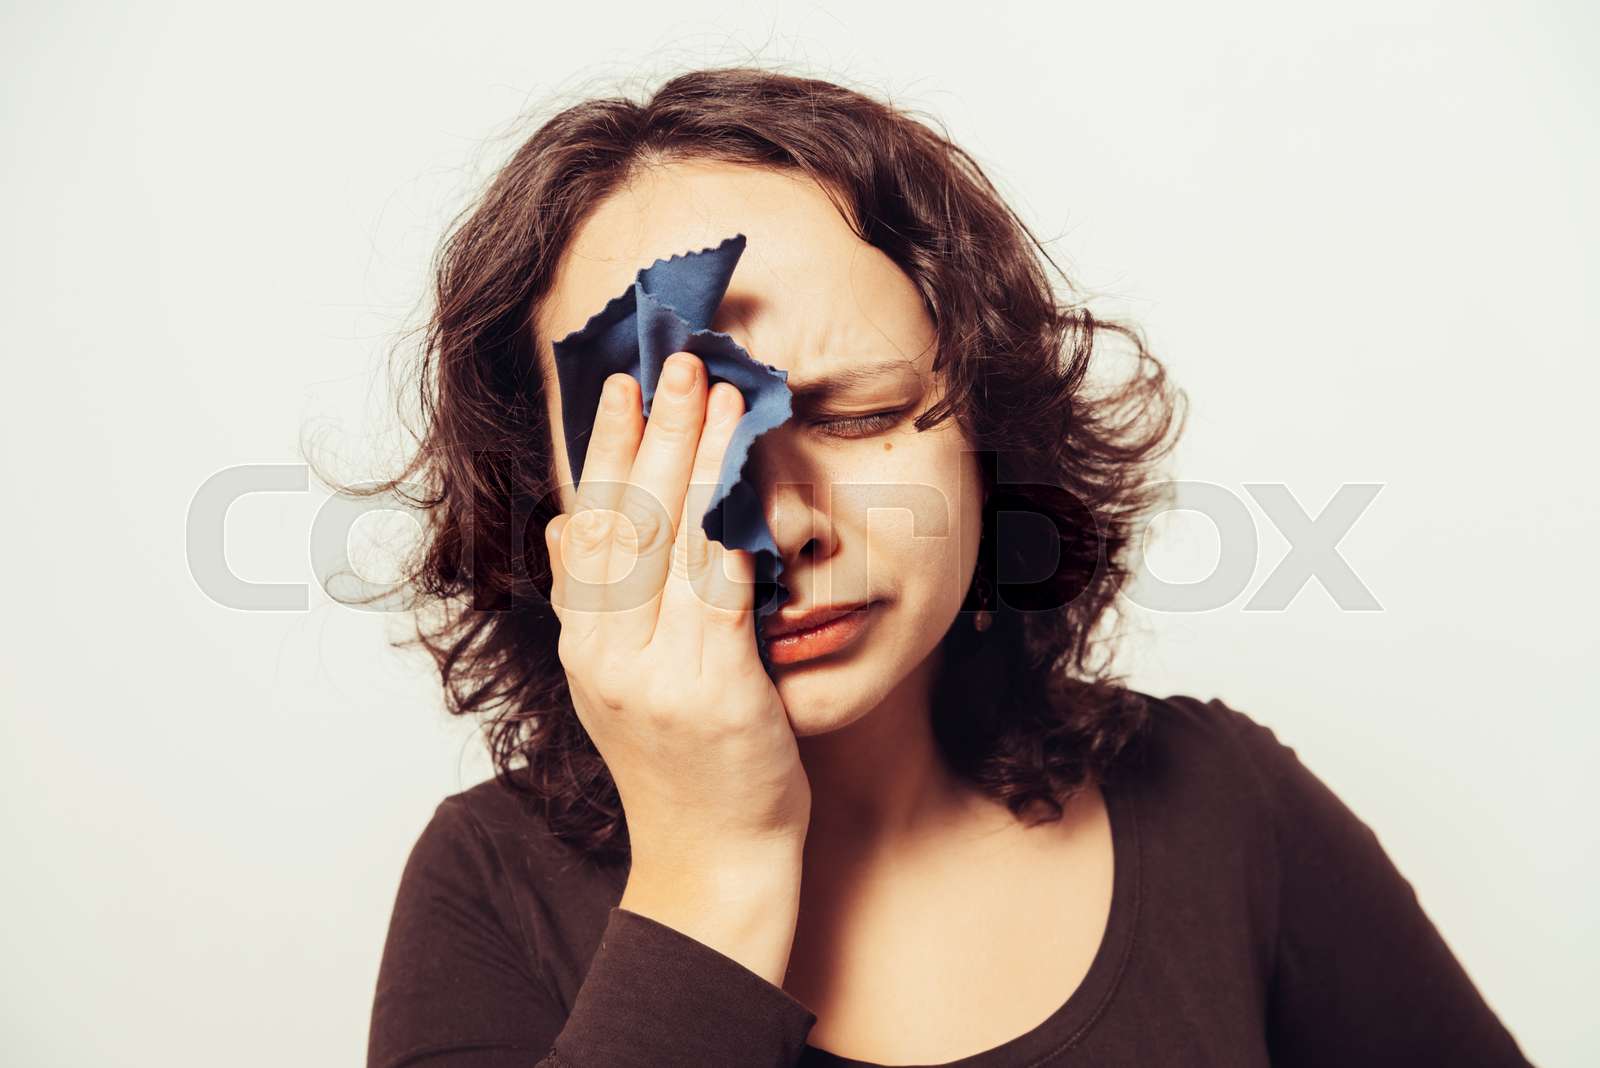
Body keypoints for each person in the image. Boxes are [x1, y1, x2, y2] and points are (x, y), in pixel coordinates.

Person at [361, 67, 1534, 1067]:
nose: (784, 527)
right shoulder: (490, 887)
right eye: (678, 450)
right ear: (553, 506)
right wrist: (712, 867)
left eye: (863, 415)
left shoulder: (1220, 804)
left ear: (989, 434)